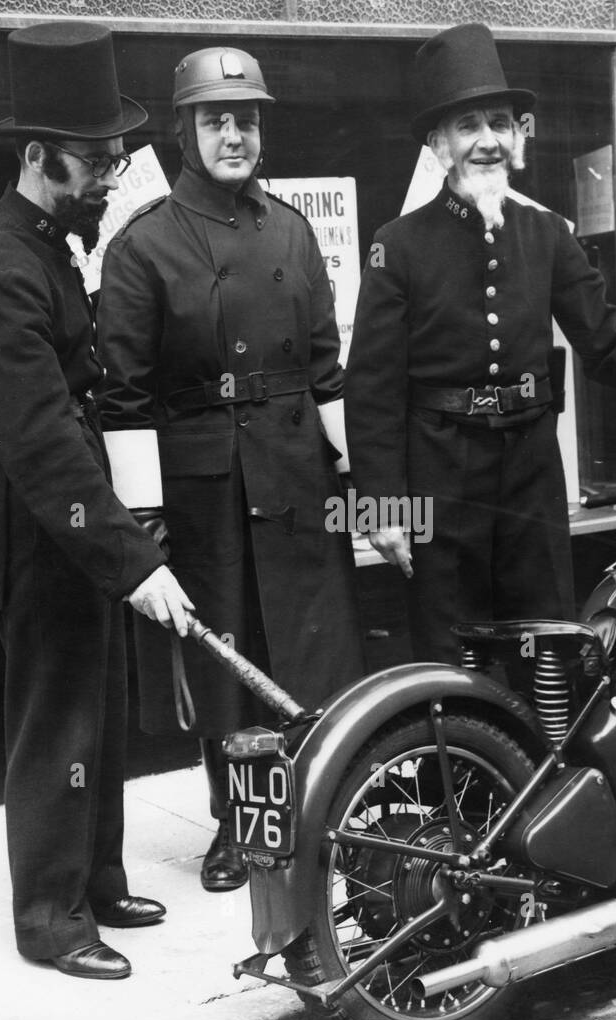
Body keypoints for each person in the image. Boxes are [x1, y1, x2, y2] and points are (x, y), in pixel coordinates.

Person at [0, 22, 194, 980]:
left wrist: (122, 547)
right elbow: (44, 441)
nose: (110, 177)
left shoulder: (46, 246)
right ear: (37, 156)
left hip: (72, 531)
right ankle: (49, 919)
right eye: (94, 161)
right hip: (34, 534)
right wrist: (136, 563)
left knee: (99, 702)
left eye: (118, 157)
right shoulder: (1, 269)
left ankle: (97, 877)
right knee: (57, 718)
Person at [345, 23, 616, 663]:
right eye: (468, 126)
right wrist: (384, 508)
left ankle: (542, 761)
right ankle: (457, 765)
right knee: (450, 648)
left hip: (531, 471)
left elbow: (603, 336)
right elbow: (372, 387)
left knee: (544, 642)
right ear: (439, 145)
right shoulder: (398, 245)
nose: (487, 140)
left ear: (518, 138)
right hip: (439, 475)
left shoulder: (546, 233)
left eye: (500, 123)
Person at [96, 47, 365, 892]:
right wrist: (144, 527)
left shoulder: (290, 228)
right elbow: (125, 400)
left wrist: (365, 482)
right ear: (184, 131)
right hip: (208, 490)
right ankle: (237, 827)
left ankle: (320, 815)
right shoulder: (143, 247)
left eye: (246, 119)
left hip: (296, 476)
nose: (235, 135)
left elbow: (326, 371)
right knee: (228, 665)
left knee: (312, 650)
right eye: (216, 120)